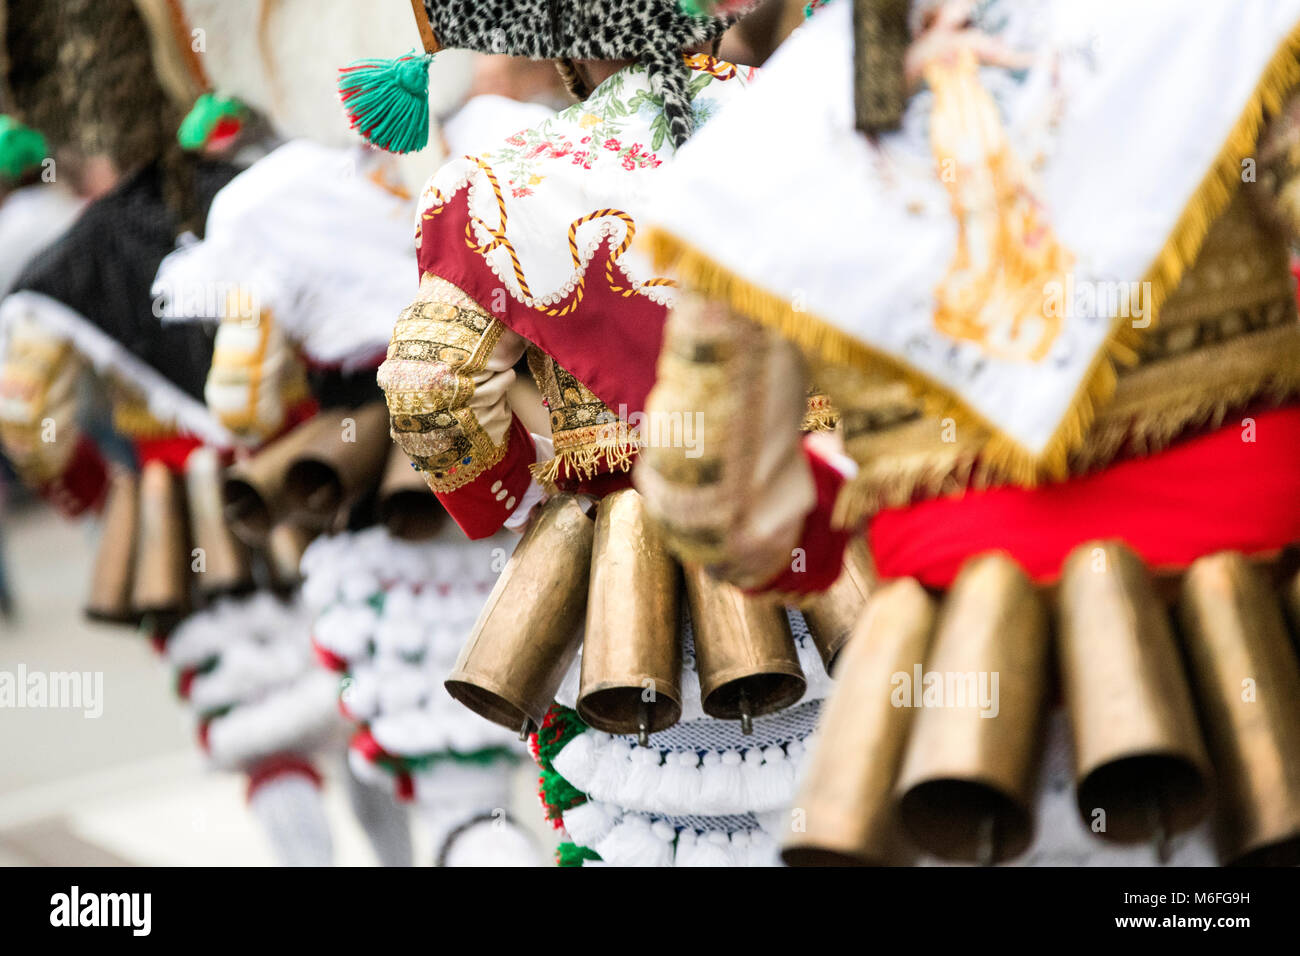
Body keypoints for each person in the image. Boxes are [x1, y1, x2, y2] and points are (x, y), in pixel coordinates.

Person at [637, 0, 1300, 865]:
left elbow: (705, 500)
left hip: (974, 703)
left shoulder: (766, 142)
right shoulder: (1225, 20)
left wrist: (832, 517)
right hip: (1267, 620)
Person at [368, 0, 842, 866]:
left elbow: (428, 386)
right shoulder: (825, 120)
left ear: (566, 50)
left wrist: (521, 494)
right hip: (840, 537)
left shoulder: (503, 183)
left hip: (638, 585)